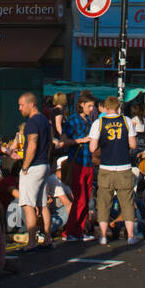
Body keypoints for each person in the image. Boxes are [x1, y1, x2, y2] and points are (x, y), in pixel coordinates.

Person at [89, 96, 138, 245]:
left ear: (105, 107)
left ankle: (103, 235)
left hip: (106, 167)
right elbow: (133, 145)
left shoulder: (99, 123)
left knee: (104, 203)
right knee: (127, 202)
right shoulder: (127, 121)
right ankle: (130, 236)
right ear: (118, 107)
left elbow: (92, 148)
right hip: (124, 167)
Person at [16, 91, 54, 252]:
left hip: (33, 166)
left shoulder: (32, 122)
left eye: (21, 105)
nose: (19, 108)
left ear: (31, 104)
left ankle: (32, 242)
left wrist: (25, 166)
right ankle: (47, 238)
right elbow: (51, 142)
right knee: (42, 204)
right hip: (44, 164)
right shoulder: (45, 121)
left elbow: (32, 144)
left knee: (28, 204)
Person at [61, 93, 96, 241]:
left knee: (86, 198)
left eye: (92, 106)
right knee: (79, 198)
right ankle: (70, 231)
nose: (92, 108)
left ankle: (79, 230)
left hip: (88, 162)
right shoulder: (73, 120)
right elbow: (64, 140)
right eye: (89, 106)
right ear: (81, 105)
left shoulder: (88, 120)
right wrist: (80, 140)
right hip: (78, 162)